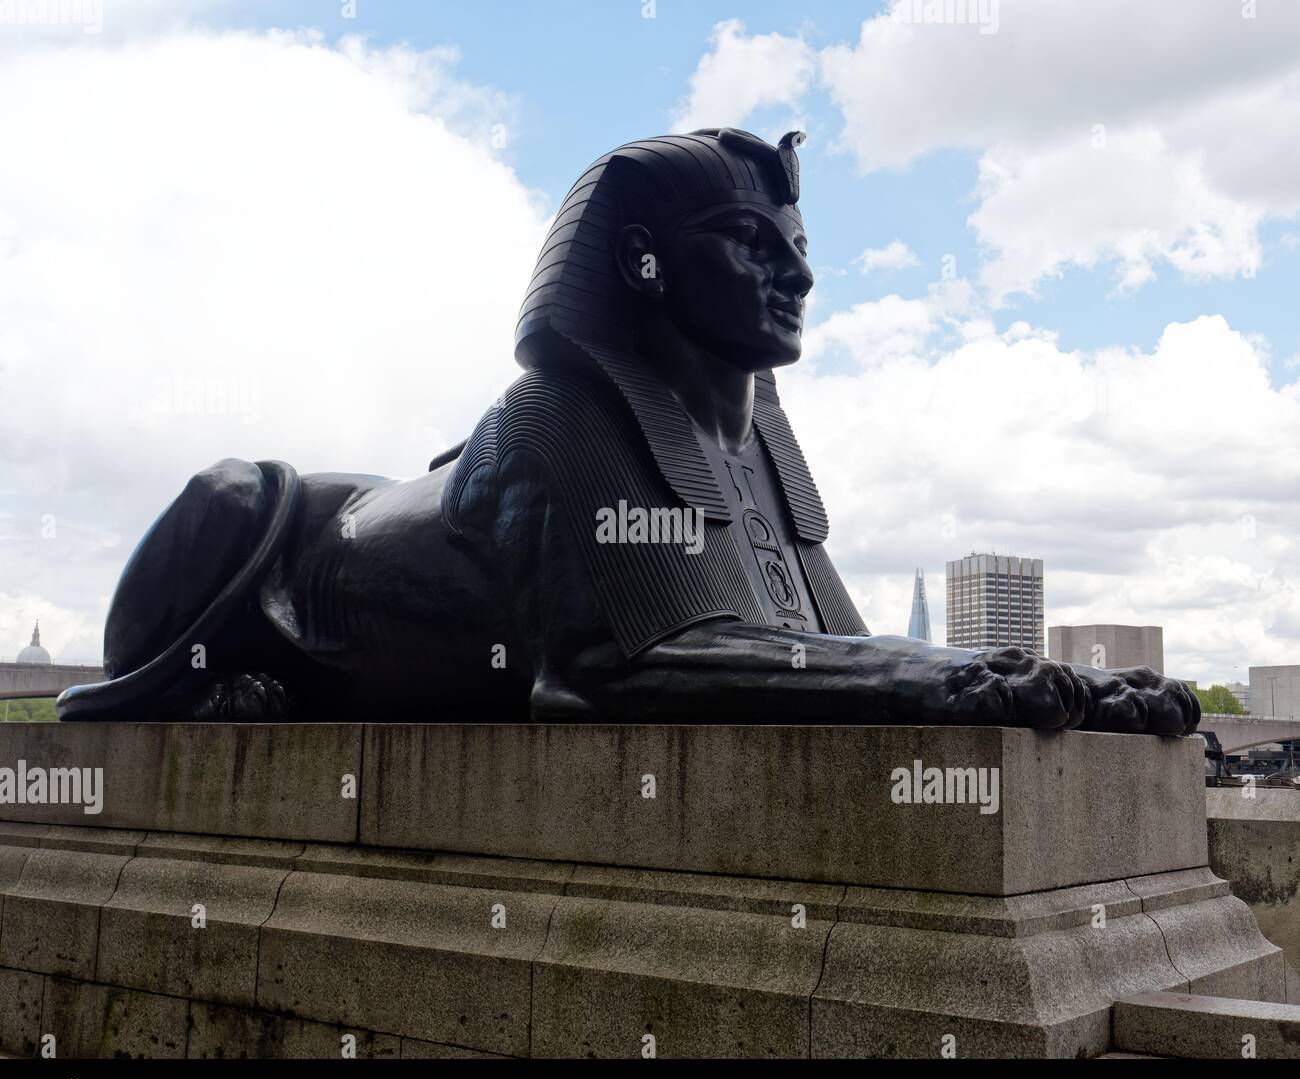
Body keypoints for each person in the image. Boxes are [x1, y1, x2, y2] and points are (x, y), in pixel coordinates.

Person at [58, 128, 1198, 736]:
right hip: (286, 562)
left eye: (795, 241)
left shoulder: (752, 445)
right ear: (637, 263)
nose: (795, 268)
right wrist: (961, 686)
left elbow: (827, 646)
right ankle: (172, 681)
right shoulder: (554, 420)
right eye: (747, 238)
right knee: (236, 488)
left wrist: (1056, 692)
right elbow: (612, 675)